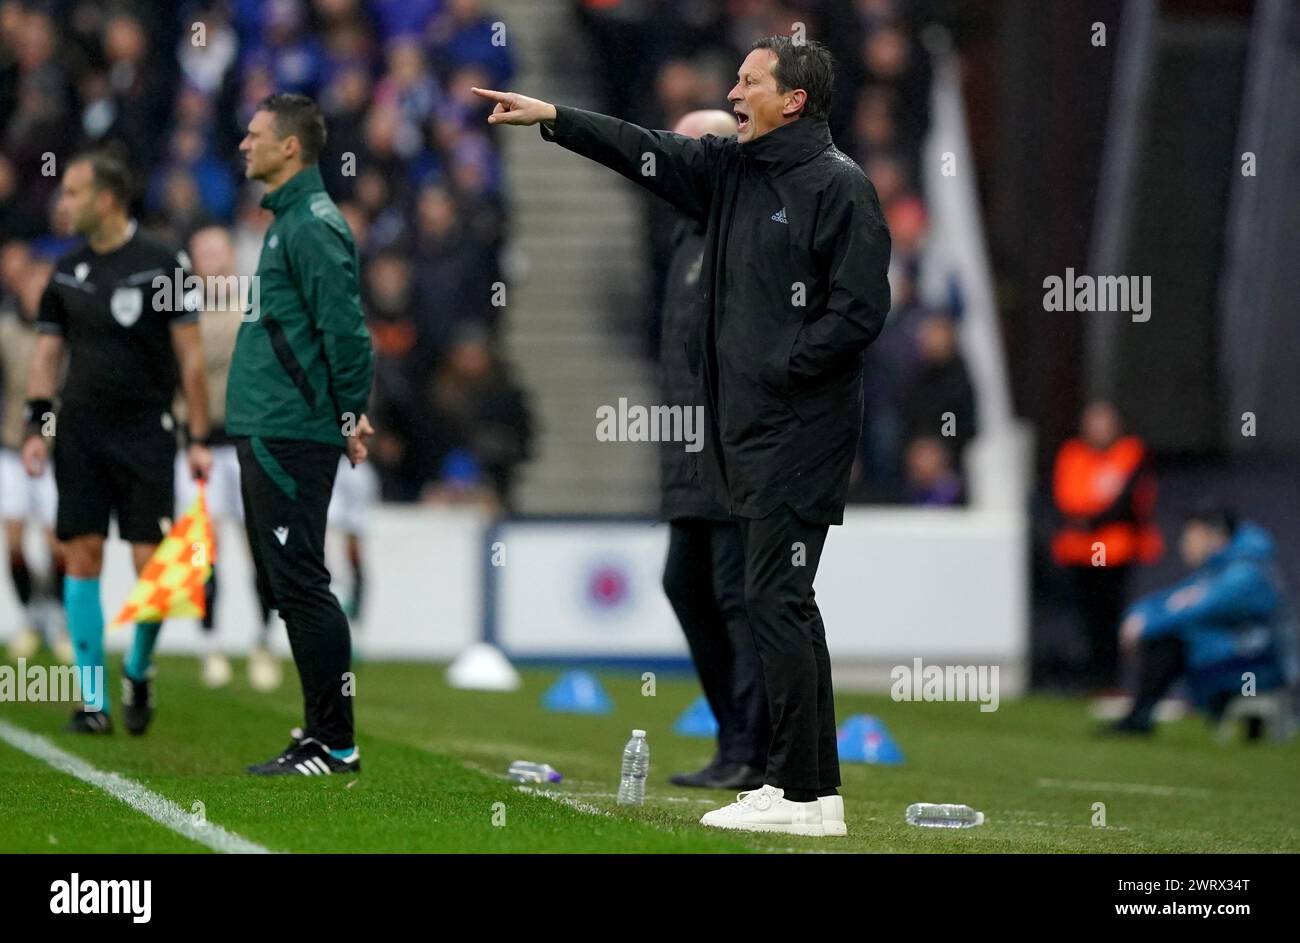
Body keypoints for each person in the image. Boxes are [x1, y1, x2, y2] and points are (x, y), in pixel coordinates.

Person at [473, 35, 892, 836]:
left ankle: (802, 795)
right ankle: (804, 788)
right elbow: (646, 150)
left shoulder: (841, 188)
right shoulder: (733, 173)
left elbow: (861, 309)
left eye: (748, 80)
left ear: (793, 99)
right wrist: (555, 116)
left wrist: (781, 366)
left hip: (800, 432)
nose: (732, 90)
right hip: (752, 430)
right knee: (782, 603)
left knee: (775, 600)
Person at [22, 146, 213, 734]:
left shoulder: (162, 263)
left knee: (149, 562)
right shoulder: (65, 270)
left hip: (146, 430)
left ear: (106, 199)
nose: (64, 201)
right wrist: (37, 426)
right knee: (81, 551)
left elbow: (192, 358)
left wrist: (199, 436)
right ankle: (93, 699)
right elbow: (47, 355)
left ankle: (137, 666)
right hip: (79, 430)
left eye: (74, 192)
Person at [231, 93, 374, 776]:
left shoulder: (313, 225)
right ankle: (321, 731)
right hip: (272, 422)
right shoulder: (289, 221)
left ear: (290, 147)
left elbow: (346, 330)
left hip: (292, 427)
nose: (243, 144)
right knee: (291, 583)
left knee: (303, 583)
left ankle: (334, 741)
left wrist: (350, 412)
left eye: (254, 135)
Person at [658, 109, 768, 792]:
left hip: (736, 449)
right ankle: (732, 738)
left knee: (737, 593)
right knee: (685, 583)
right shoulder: (686, 236)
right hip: (688, 449)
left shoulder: (748, 237)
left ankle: (752, 749)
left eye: (682, 149)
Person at [171, 224, 282, 690]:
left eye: (217, 250)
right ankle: (210, 644)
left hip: (248, 443)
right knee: (203, 553)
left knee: (260, 550)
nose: (209, 258)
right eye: (201, 251)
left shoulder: (254, 307)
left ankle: (262, 641)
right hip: (199, 444)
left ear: (232, 256)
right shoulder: (179, 310)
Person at [1110, 506, 1296, 736]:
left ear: (1213, 536)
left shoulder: (1245, 573)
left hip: (1259, 669)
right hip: (1241, 658)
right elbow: (1174, 598)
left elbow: (1198, 608)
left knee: (1172, 640)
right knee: (1175, 637)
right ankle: (1140, 717)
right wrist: (1139, 615)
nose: (1184, 545)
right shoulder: (1221, 567)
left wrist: (1146, 625)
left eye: (1191, 537)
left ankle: (1139, 718)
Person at [1051, 400, 1162, 690]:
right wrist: (1085, 519)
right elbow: (1066, 498)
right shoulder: (1073, 454)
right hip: (1080, 550)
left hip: (1114, 550)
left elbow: (1128, 502)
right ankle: (1092, 676)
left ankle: (1112, 679)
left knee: (1112, 613)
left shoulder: (1130, 453)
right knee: (1088, 616)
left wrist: (1092, 520)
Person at [1, 242, 66, 661]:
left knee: (58, 541)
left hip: (55, 451)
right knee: (15, 539)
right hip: (11, 448)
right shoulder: (6, 333)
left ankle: (56, 616)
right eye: (32, 284)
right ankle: (28, 616)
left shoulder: (68, 335)